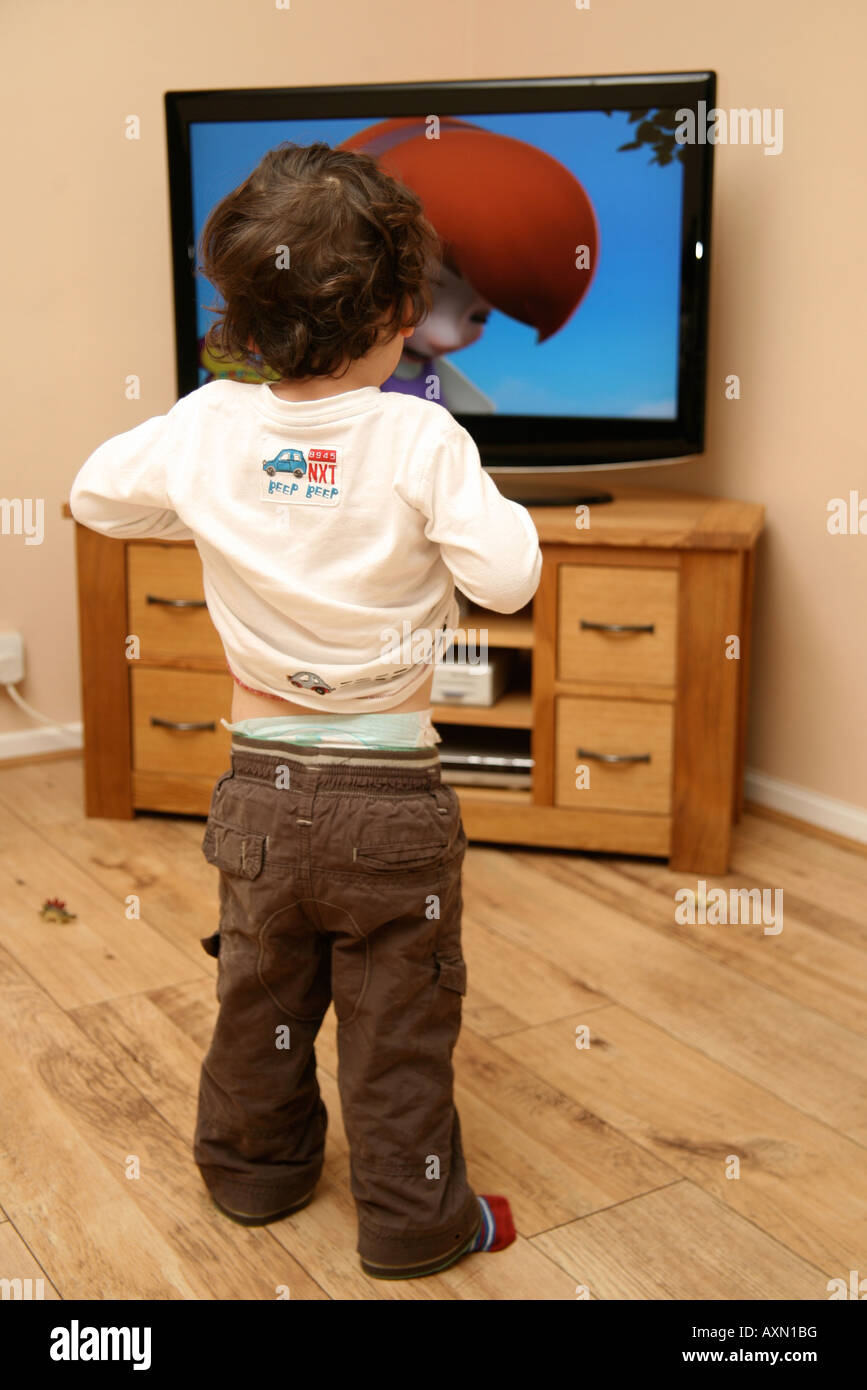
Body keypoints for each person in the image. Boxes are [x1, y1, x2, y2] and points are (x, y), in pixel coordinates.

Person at [69, 140, 542, 1280]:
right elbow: (508, 577)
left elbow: (92, 495)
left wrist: (216, 501)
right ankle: (419, 1220)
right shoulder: (422, 435)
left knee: (258, 991)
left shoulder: (209, 424)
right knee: (399, 1024)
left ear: (247, 312)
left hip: (261, 795)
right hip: (392, 802)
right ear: (395, 308)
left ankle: (254, 1174)